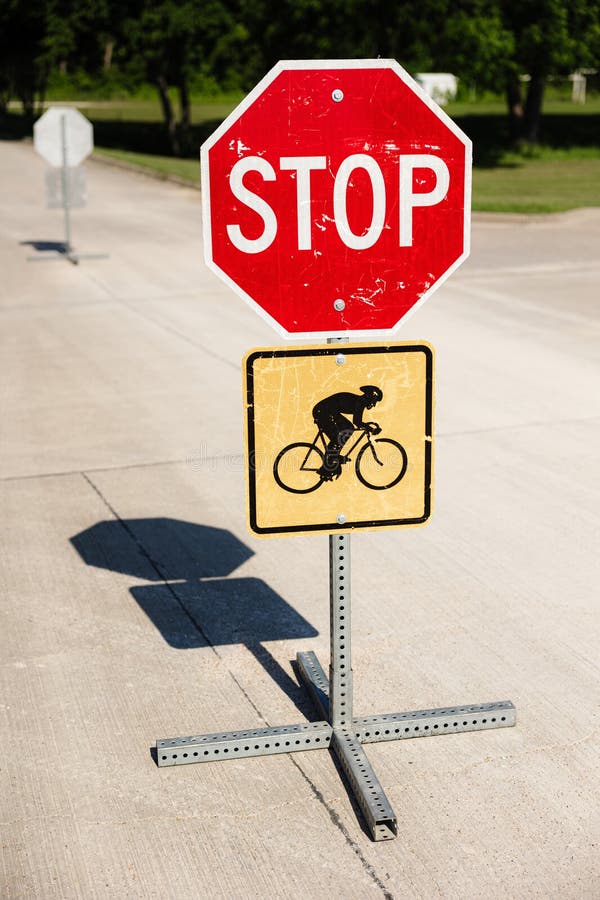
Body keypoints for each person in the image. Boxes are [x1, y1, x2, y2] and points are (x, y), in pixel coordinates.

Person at [312, 385, 383, 479]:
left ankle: (333, 461)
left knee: (347, 429)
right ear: (370, 396)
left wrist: (369, 427)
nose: (373, 404)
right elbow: (357, 422)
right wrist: (371, 429)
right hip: (323, 411)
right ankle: (327, 467)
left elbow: (357, 422)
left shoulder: (359, 401)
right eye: (374, 401)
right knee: (338, 437)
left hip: (327, 411)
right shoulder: (360, 402)